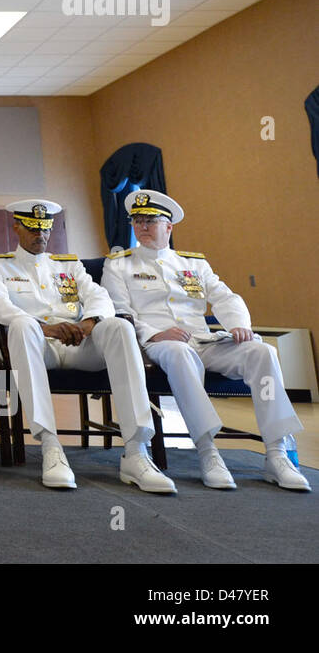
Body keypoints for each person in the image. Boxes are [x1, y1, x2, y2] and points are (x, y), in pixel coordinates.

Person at [102, 190, 309, 492]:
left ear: (169, 227)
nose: (143, 226)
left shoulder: (195, 264)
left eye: (151, 220)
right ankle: (207, 451)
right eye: (137, 220)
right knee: (179, 353)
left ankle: (276, 455)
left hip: (204, 341)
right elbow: (119, 310)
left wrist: (239, 325)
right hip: (158, 344)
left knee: (262, 352)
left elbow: (226, 297)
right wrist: (154, 333)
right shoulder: (118, 265)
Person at [0, 199, 175, 493]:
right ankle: (50, 446)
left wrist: (89, 323)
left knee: (120, 326)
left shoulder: (69, 265)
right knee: (21, 326)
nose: (41, 236)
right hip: (38, 346)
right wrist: (42, 326)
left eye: (46, 229)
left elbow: (99, 295)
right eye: (33, 229)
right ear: (17, 227)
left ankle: (136, 451)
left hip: (78, 344)